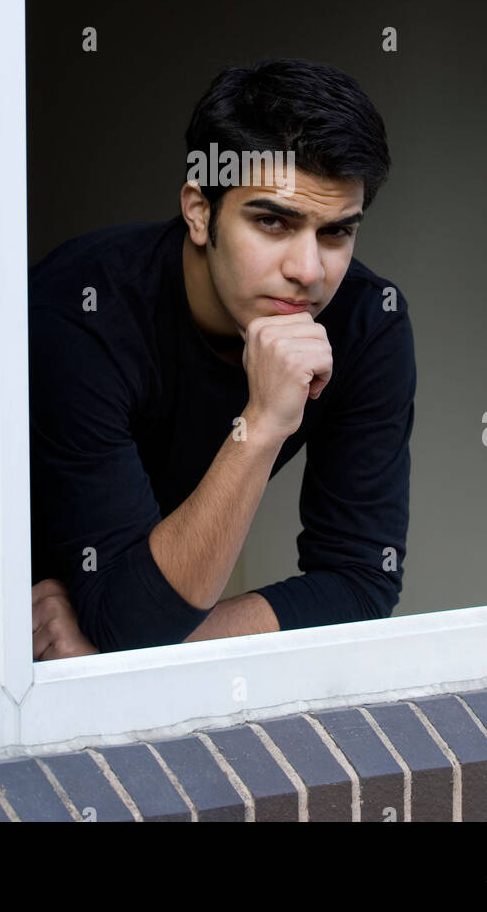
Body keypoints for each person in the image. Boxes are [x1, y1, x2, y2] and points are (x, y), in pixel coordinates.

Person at [30, 57, 416, 659]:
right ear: (199, 211)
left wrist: (125, 655)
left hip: (92, 642)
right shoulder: (83, 308)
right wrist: (261, 424)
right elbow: (128, 621)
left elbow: (361, 582)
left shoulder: (369, 322)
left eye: (336, 232)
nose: (308, 272)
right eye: (272, 222)